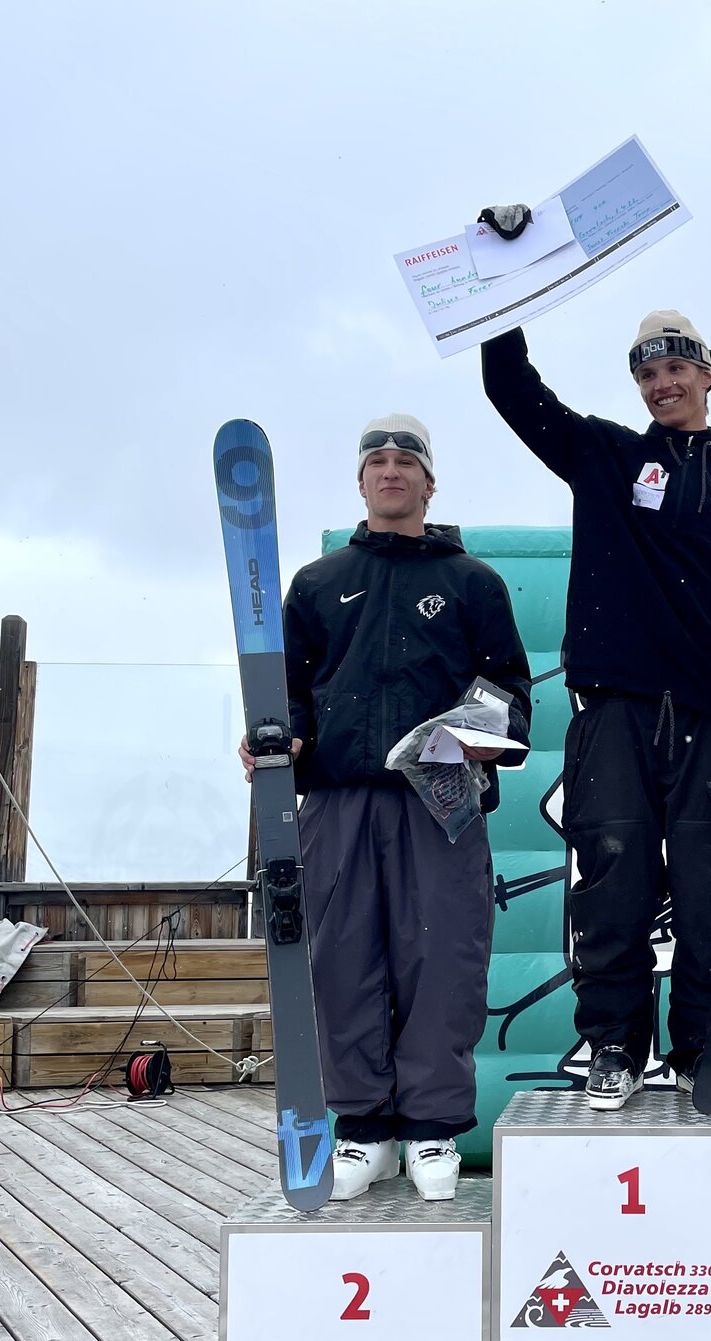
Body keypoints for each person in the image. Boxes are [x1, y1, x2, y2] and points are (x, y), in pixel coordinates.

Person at [475, 204, 711, 1111]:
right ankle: (615, 1043)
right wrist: (505, 277)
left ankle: (702, 1050)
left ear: (708, 373)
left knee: (710, 892)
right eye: (649, 372)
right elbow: (512, 388)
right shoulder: (605, 457)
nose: (663, 384)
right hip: (614, 712)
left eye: (677, 367)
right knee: (613, 884)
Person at [241, 414, 531, 1200]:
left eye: (407, 460)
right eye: (378, 460)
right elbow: (290, 696)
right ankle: (364, 1129)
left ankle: (432, 1128)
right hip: (339, 801)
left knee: (443, 960)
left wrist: (480, 738)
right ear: (361, 481)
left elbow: (509, 694)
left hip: (440, 799)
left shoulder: (472, 583)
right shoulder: (317, 583)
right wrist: (279, 739)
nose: (392, 469)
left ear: (429, 483)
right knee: (343, 961)